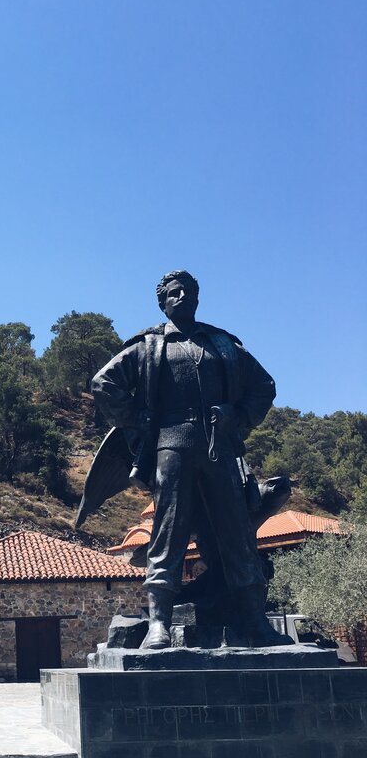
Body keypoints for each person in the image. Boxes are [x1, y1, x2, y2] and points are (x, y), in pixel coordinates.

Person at [91, 270, 290, 649]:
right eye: (173, 292)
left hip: (220, 449)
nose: (181, 296)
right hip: (171, 447)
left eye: (188, 291)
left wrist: (239, 414)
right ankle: (159, 624)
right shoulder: (149, 345)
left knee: (236, 533)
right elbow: (104, 382)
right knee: (169, 533)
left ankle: (254, 620)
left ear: (197, 299)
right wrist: (135, 417)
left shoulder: (223, 346)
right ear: (162, 302)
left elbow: (264, 386)